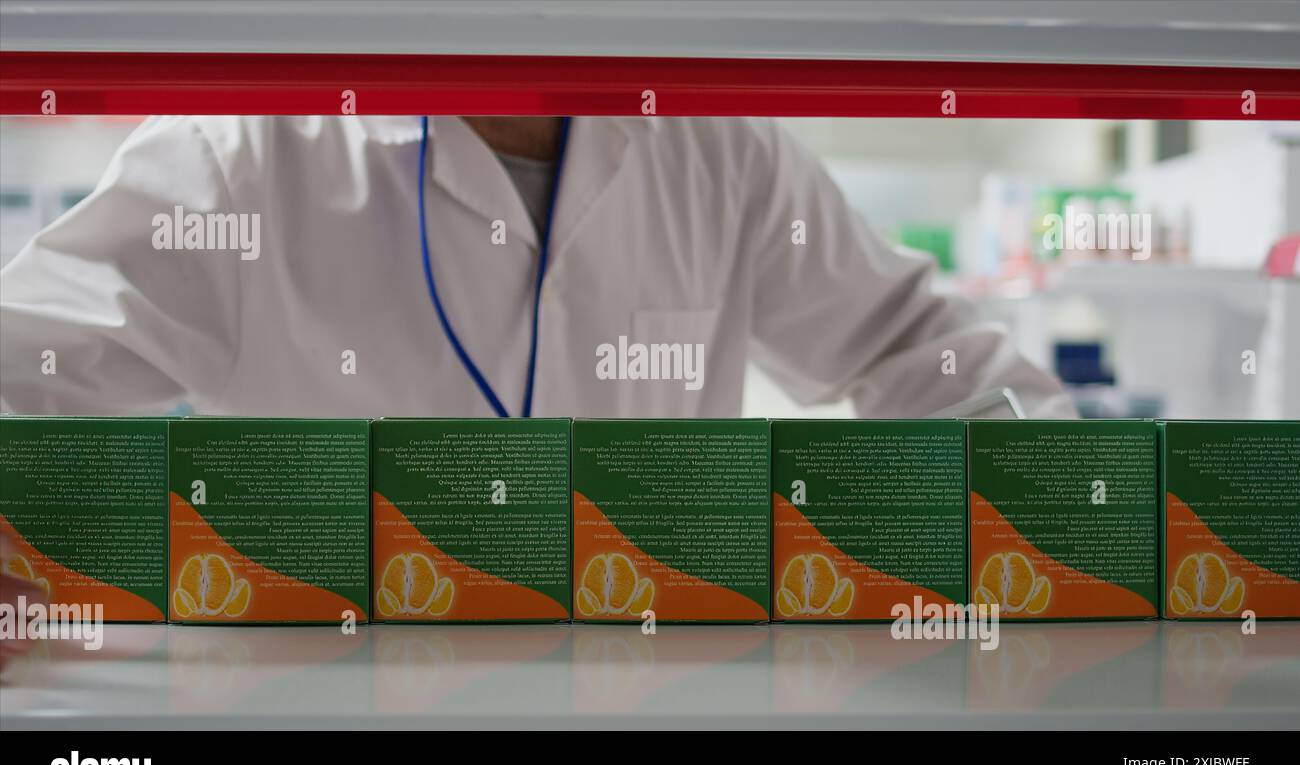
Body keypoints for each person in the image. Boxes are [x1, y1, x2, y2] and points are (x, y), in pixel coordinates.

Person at [0, 115, 1075, 419]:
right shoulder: (243, 156)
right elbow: (24, 362)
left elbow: (920, 352)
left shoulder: (719, 149)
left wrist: (1069, 505)